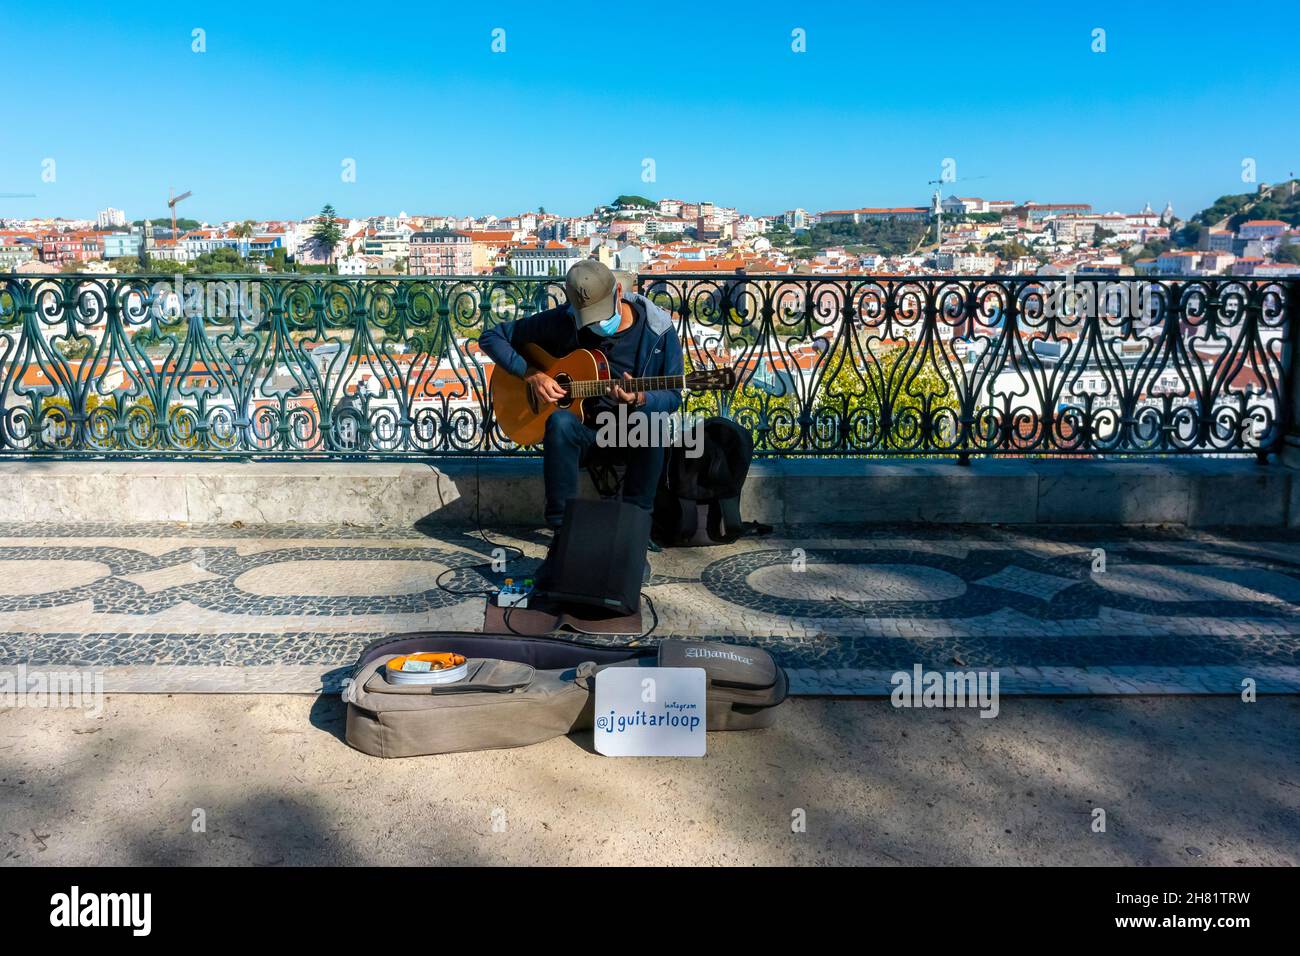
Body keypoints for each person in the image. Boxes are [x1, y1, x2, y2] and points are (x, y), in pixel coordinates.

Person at [480, 260, 683, 529]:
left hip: (630, 436)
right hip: (584, 435)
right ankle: (561, 530)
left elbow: (672, 397)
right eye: (588, 317)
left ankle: (637, 526)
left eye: (599, 314)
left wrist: (640, 398)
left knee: (652, 420)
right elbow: (491, 337)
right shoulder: (565, 319)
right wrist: (532, 374)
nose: (596, 323)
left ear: (619, 293)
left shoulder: (658, 331)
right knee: (560, 422)